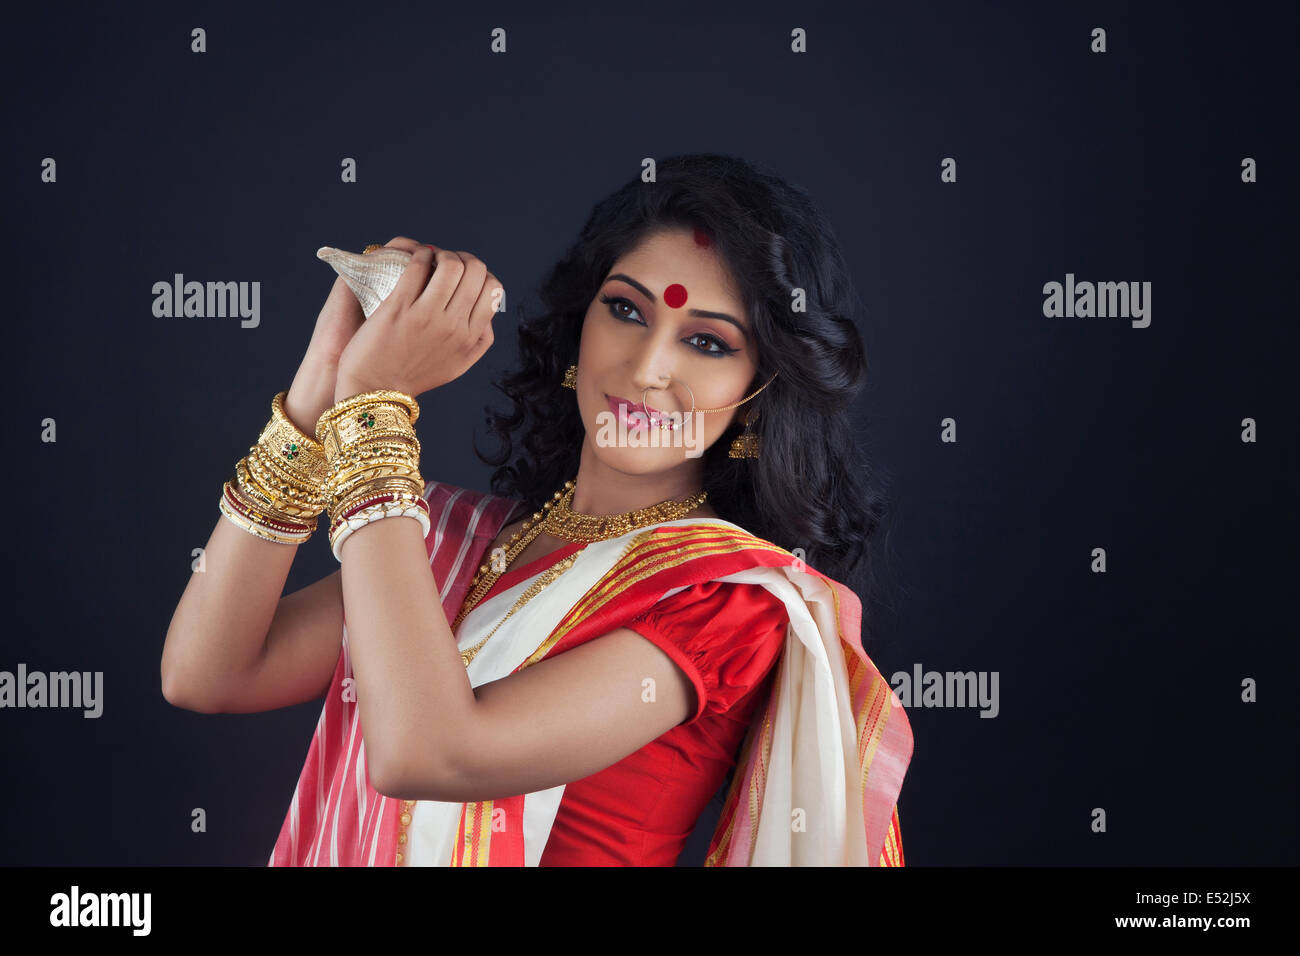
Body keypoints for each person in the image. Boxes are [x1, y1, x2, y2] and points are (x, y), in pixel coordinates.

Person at [167, 153, 912, 866]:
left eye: (708, 343)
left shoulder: (721, 603)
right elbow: (210, 671)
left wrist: (371, 418)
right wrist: (315, 394)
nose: (649, 369)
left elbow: (430, 752)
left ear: (760, 392)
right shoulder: (455, 541)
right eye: (625, 309)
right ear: (577, 323)